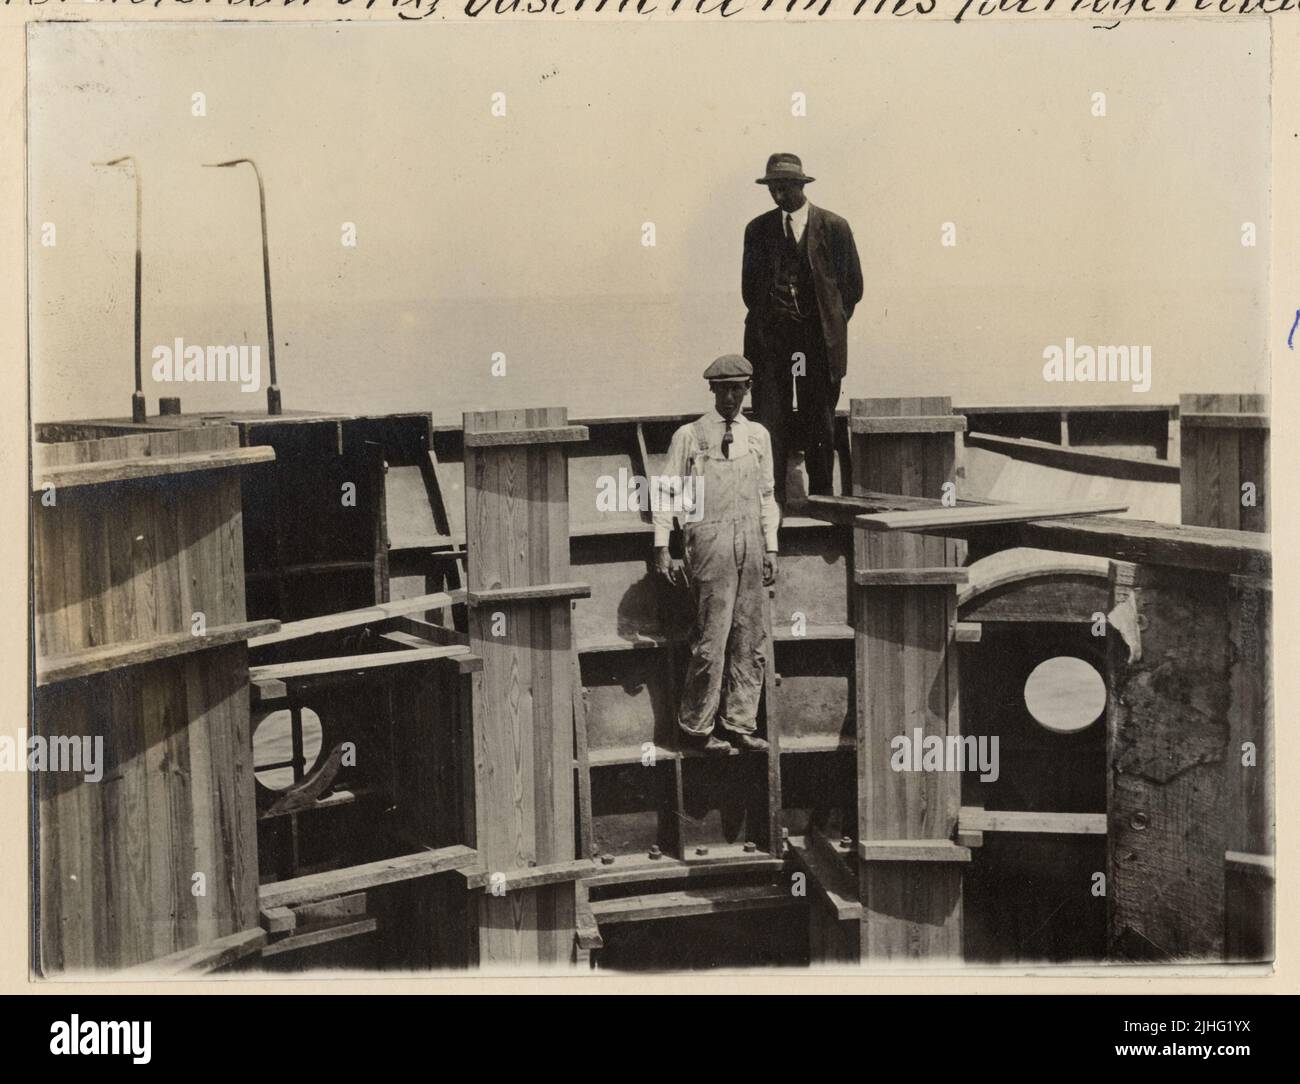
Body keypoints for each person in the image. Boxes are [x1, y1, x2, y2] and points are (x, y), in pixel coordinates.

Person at [652, 355, 779, 755]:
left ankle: (739, 723)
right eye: (722, 389)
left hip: (752, 540)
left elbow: (767, 495)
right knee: (711, 638)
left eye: (736, 388)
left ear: (747, 389)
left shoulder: (758, 436)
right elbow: (666, 493)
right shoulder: (690, 436)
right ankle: (697, 727)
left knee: (751, 636)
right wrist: (663, 547)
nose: (729, 397)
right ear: (712, 390)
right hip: (709, 541)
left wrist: (771, 546)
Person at [742, 153, 863, 502]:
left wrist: (828, 323)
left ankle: (823, 500)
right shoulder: (757, 230)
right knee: (769, 420)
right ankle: (772, 502)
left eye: (783, 187)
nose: (777, 194)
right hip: (772, 345)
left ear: (800, 185)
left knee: (819, 420)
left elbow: (852, 288)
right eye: (772, 187)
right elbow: (750, 290)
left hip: (817, 345)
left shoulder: (835, 227)